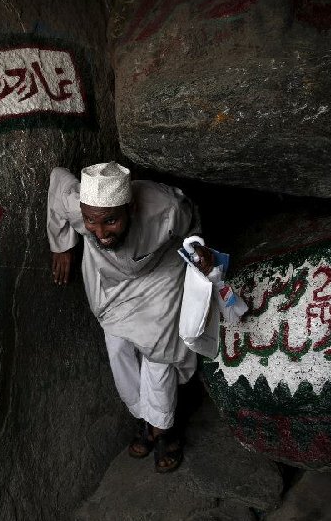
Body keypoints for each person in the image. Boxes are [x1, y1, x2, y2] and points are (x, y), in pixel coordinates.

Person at [47, 161, 212, 473]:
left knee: (159, 352)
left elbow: (192, 227)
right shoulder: (75, 205)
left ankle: (163, 429)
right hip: (110, 284)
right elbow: (58, 180)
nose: (99, 232)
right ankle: (144, 418)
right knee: (118, 347)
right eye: (90, 222)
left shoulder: (167, 207)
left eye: (110, 221)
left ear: (131, 207)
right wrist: (62, 246)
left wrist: (197, 246)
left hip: (160, 276)